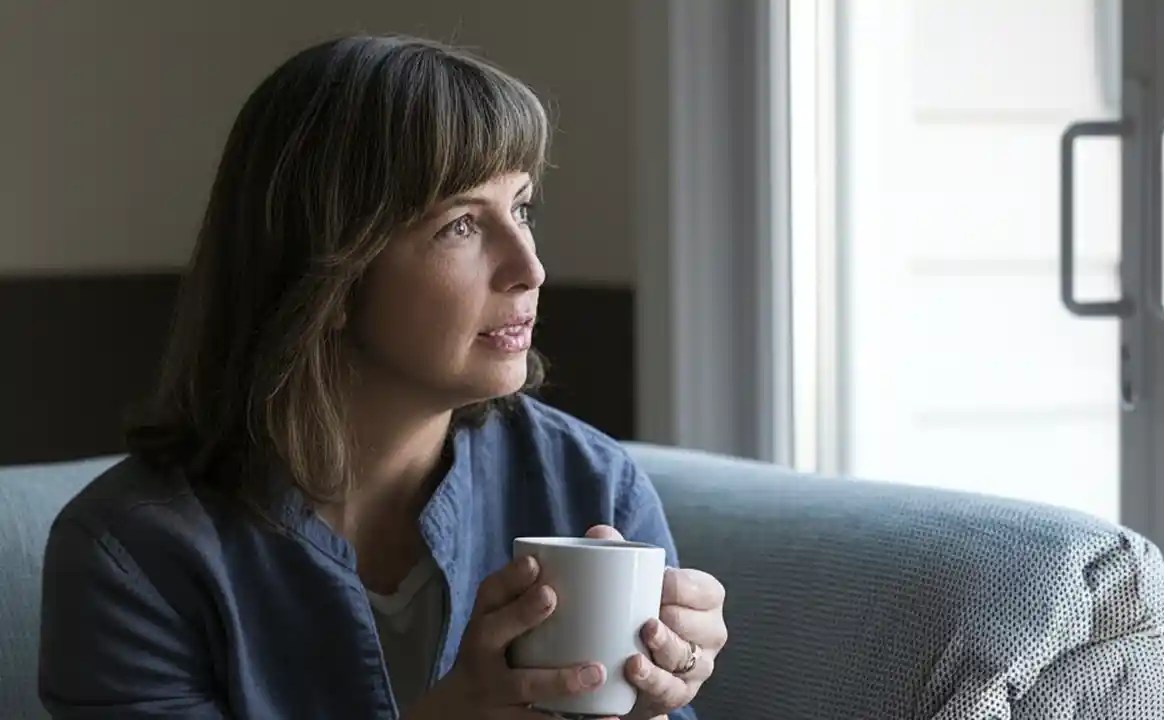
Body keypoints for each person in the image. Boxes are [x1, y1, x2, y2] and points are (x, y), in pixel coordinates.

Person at [38, 35, 726, 720]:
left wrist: (658, 697)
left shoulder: (591, 486)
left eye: (522, 208)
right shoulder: (135, 554)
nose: (530, 267)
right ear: (327, 276)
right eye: (460, 224)